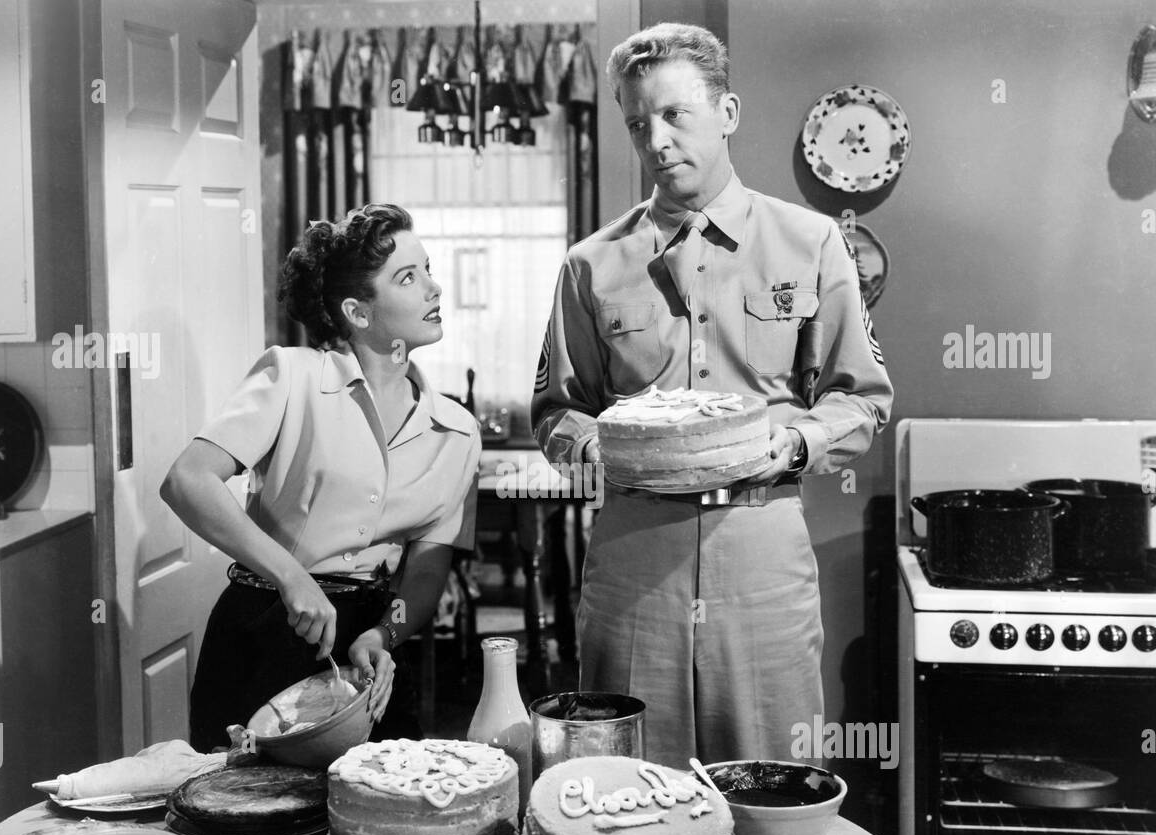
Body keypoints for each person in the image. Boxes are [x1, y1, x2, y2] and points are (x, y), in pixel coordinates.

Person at [531, 24, 894, 768]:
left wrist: (792, 444)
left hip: (760, 554)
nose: (655, 140)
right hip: (634, 559)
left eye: (674, 115)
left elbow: (863, 399)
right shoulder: (590, 266)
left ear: (727, 114)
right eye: (637, 123)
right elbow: (557, 410)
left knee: (768, 778)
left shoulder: (813, 243)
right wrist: (598, 444)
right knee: (626, 787)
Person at [163, 204, 480, 752]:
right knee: (249, 818)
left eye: (428, 269)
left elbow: (427, 571)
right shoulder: (293, 377)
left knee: (387, 808)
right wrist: (292, 577)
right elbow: (188, 481)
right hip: (264, 623)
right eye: (409, 277)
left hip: (365, 645)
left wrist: (387, 634)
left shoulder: (457, 432)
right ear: (357, 312)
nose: (434, 289)